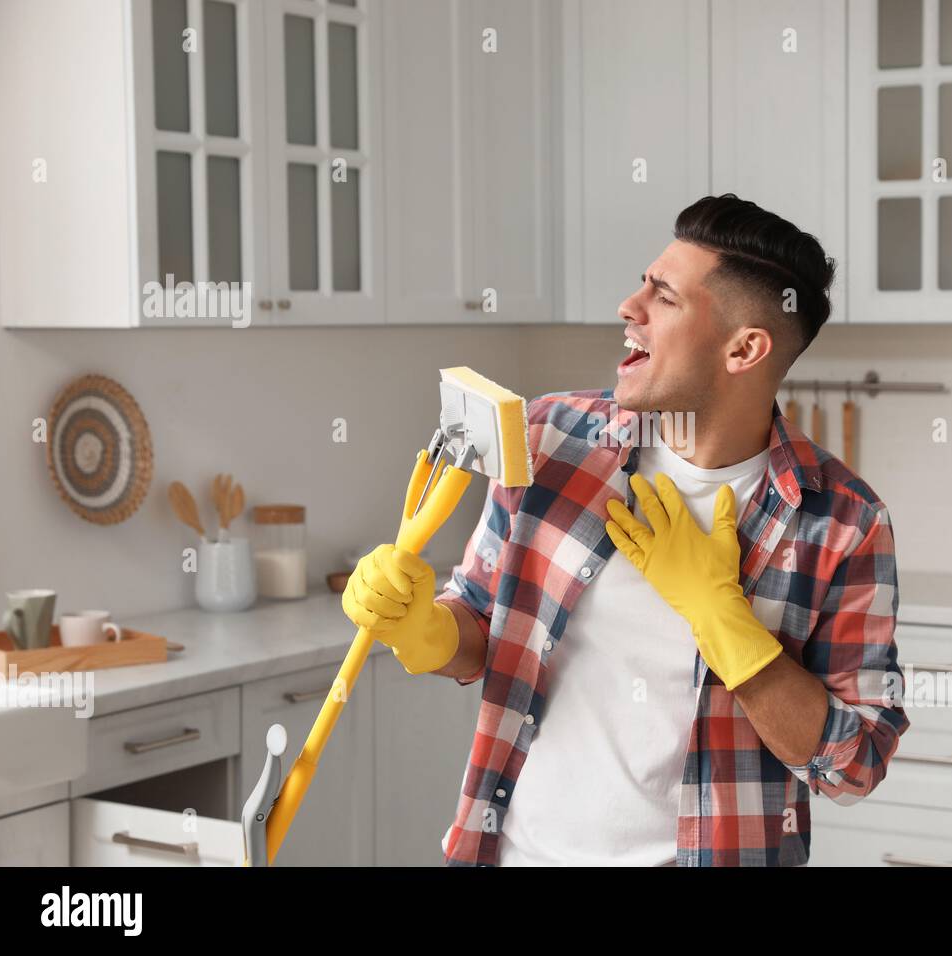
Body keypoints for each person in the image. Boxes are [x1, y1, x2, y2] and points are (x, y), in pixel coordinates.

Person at [343, 194, 908, 866]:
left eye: (662, 296)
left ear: (745, 347)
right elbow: (480, 626)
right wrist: (421, 629)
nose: (628, 307)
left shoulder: (841, 522)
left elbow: (854, 764)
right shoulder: (550, 441)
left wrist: (722, 621)